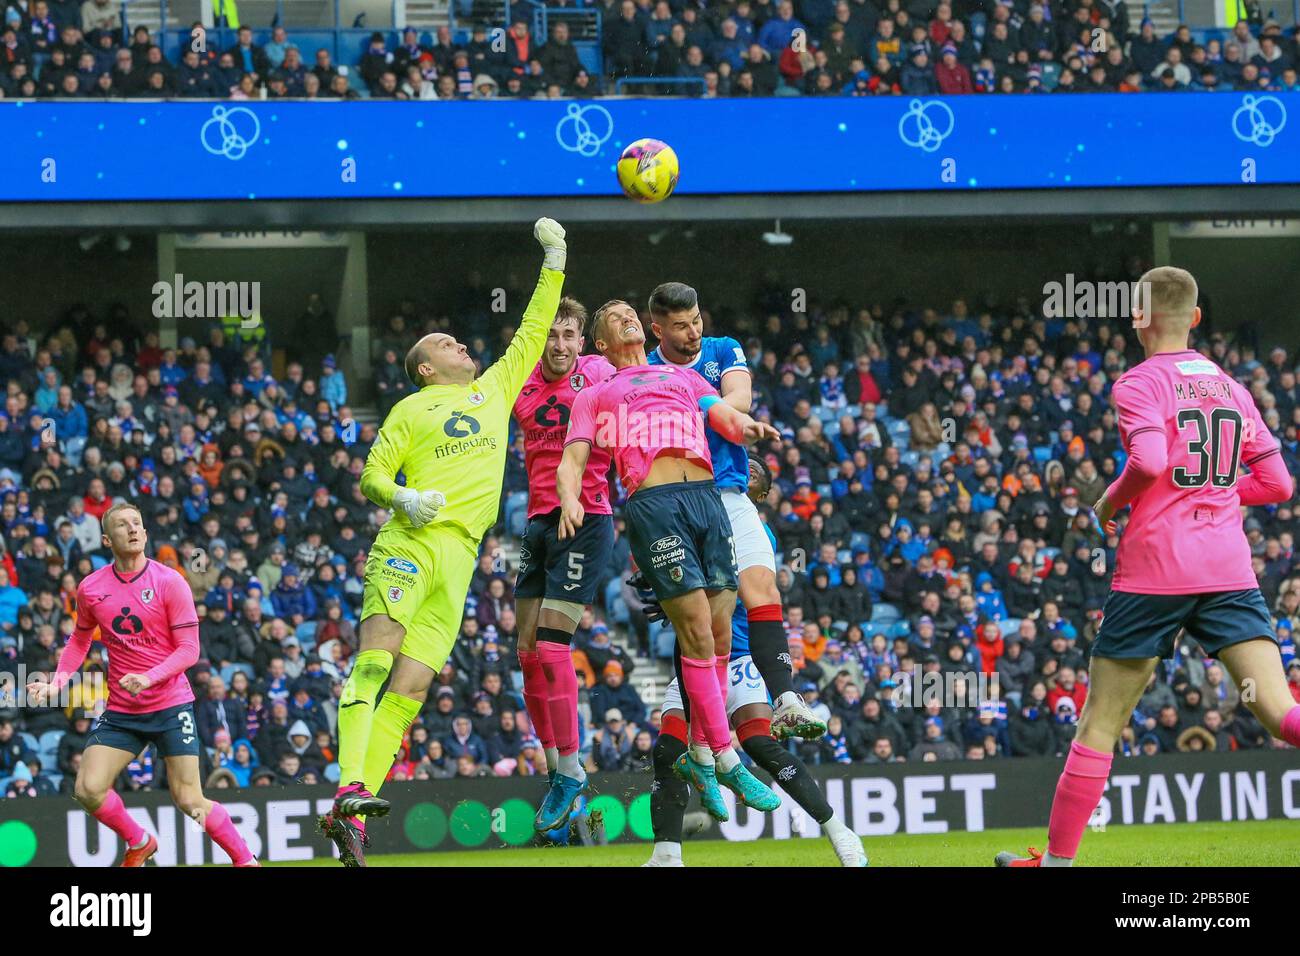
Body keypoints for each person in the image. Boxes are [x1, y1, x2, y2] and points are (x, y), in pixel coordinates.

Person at [998, 267, 1300, 868]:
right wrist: (1216, 494)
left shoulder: (1138, 383)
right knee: (1278, 711)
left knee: (1100, 724)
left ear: (1138, 318)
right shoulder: (1233, 389)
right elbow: (1280, 484)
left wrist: (1109, 502)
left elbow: (1151, 460)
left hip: (1155, 574)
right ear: (1194, 318)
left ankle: (1056, 866)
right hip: (1228, 573)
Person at [319, 219, 570, 867]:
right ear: (426, 368)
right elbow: (372, 477)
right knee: (374, 660)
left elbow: (535, 328)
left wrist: (555, 260)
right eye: (447, 344)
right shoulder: (409, 409)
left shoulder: (495, 388)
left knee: (411, 688)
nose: (463, 344)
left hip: (460, 561)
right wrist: (403, 497)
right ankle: (348, 782)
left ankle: (353, 813)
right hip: (410, 541)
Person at [556, 298, 781, 822]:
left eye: (631, 312)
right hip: (656, 507)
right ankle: (726, 758)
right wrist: (570, 498)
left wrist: (750, 430)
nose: (627, 317)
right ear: (603, 345)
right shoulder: (597, 394)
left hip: (708, 500)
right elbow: (574, 458)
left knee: (721, 632)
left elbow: (723, 415)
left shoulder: (682, 378)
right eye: (614, 318)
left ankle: (700, 753)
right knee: (699, 631)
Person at [643, 454, 867, 867]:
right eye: (745, 465)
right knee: (666, 750)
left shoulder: (754, 531)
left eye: (755, 472)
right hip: (696, 651)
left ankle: (841, 833)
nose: (747, 469)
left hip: (739, 652)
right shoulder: (697, 511)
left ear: (757, 494)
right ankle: (667, 856)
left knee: (760, 743)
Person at [25, 502, 257, 867]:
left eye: (137, 522)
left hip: (170, 705)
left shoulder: (170, 581)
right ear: (106, 538)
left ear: (146, 533)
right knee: (87, 789)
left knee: (190, 801)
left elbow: (190, 650)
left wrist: (149, 677)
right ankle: (140, 841)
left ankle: (246, 861)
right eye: (122, 525)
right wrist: (57, 682)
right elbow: (80, 640)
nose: (132, 529)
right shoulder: (90, 589)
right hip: (122, 711)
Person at [648, 281, 826, 741]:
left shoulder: (723, 349)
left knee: (762, 585)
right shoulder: (646, 371)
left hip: (728, 491)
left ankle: (786, 699)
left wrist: (708, 414)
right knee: (705, 620)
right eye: (681, 326)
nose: (693, 333)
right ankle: (699, 737)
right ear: (658, 328)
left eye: (696, 322)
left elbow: (740, 399)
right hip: (679, 500)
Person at [509, 299, 615, 831]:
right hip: (538, 523)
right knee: (527, 652)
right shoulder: (519, 380)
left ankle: (572, 772)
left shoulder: (598, 372)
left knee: (552, 646)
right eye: (551, 335)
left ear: (582, 341)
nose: (559, 345)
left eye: (569, 334)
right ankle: (556, 768)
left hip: (587, 516)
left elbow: (639, 381)